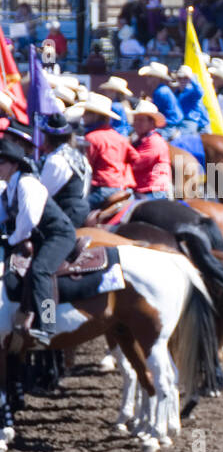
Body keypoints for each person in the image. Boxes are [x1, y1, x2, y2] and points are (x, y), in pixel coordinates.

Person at [0, 136, 77, 346]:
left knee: (40, 270)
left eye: (1, 162)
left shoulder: (27, 184)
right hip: (43, 236)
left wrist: (12, 239)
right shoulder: (9, 189)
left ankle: (48, 323)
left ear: (14, 164)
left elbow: (29, 220)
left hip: (58, 235)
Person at [81, 93, 138, 211]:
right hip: (123, 188)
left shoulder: (91, 138)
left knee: (76, 211)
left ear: (95, 116)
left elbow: (85, 167)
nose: (83, 115)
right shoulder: (120, 138)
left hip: (102, 189)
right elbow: (135, 158)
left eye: (86, 113)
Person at [36, 113, 91, 227]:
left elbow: (43, 194)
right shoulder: (80, 157)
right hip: (82, 209)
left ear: (48, 138)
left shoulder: (55, 160)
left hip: (66, 214)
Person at [127, 101, 172, 201]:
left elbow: (136, 163)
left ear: (152, 123)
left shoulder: (154, 142)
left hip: (153, 191)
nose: (136, 124)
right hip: (143, 189)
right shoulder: (141, 141)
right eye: (136, 120)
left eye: (141, 120)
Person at [137, 62, 184, 128]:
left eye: (150, 76)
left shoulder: (161, 92)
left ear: (157, 78)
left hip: (171, 124)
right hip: (172, 122)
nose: (147, 78)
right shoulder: (162, 90)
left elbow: (156, 113)